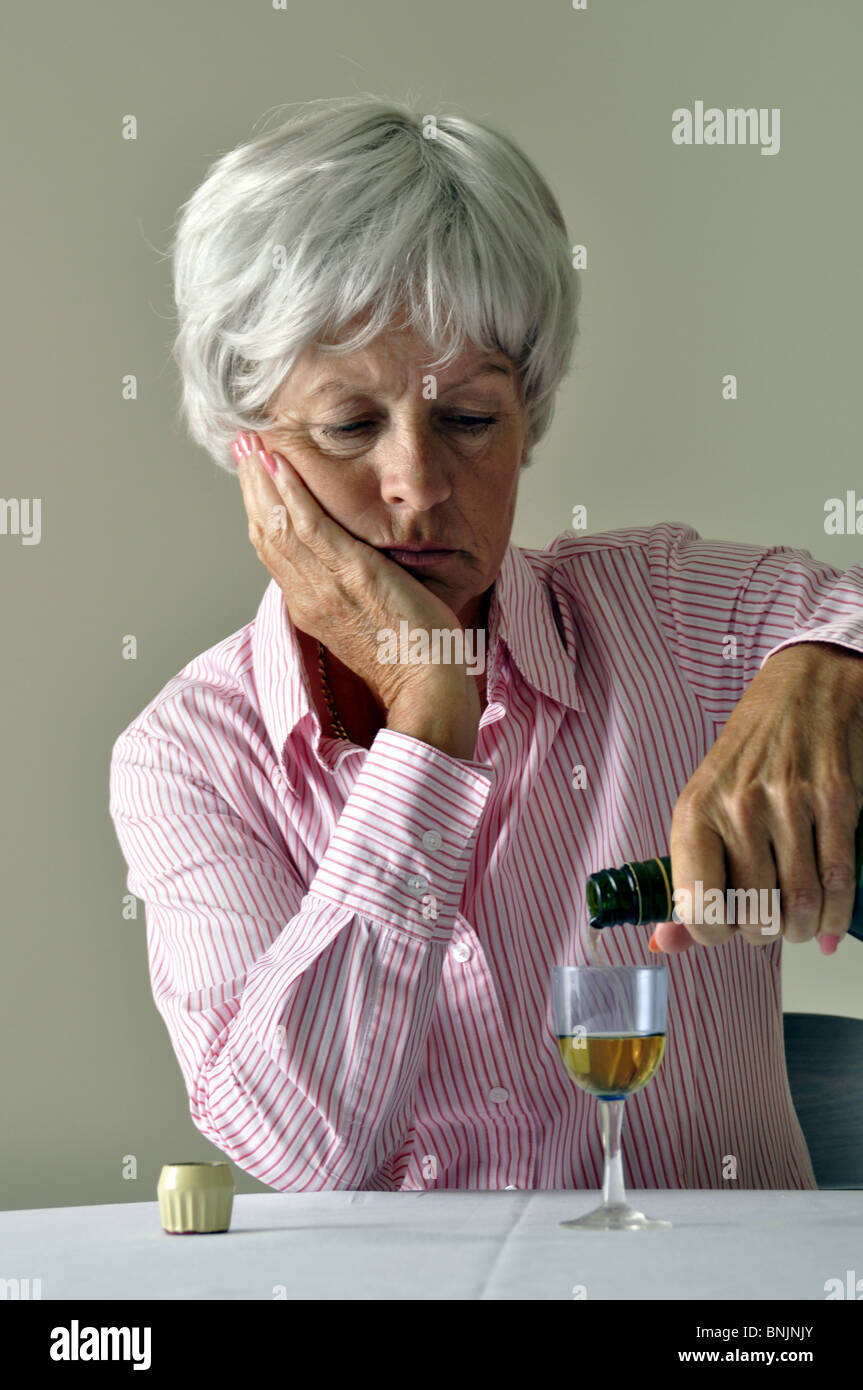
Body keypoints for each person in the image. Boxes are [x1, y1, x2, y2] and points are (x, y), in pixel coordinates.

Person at [109, 95, 863, 1192]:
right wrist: (428, 720)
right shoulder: (187, 755)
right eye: (349, 426)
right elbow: (298, 1148)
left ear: (529, 420)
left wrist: (822, 671)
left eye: (468, 419)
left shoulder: (657, 608)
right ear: (251, 455)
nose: (416, 485)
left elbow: (836, 608)